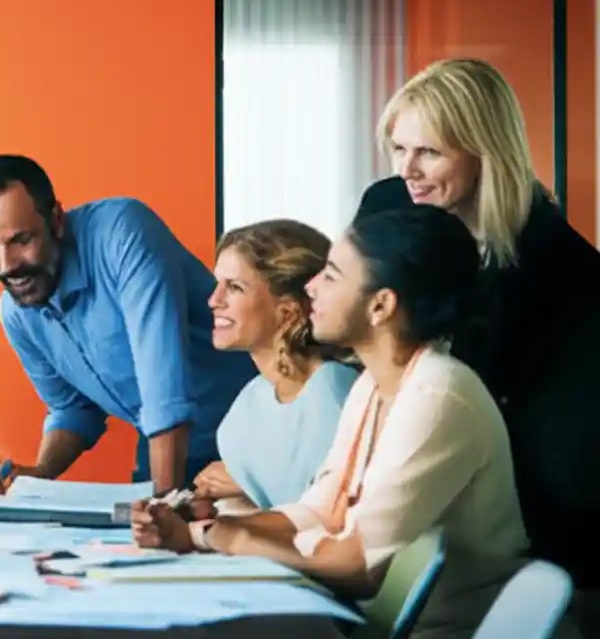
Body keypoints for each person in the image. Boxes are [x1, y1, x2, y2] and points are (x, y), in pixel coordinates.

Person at [131, 205, 528, 638]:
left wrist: (221, 537)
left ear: (381, 306)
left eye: (332, 275)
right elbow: (320, 512)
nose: (312, 287)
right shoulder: (374, 386)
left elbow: (358, 564)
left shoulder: (437, 395)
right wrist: (196, 529)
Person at [354, 58, 600, 594]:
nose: (407, 170)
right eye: (399, 148)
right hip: (401, 486)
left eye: (428, 152)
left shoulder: (564, 271)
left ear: (485, 152)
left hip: (521, 522)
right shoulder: (390, 208)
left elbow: (562, 460)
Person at [0, 154, 256, 494]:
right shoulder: (16, 311)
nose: (7, 265)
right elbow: (73, 408)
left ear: (56, 220)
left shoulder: (122, 232)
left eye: (21, 240)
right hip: (161, 443)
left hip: (249, 433)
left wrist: (164, 509)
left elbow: (165, 392)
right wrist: (39, 477)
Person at [197, 220, 358, 510]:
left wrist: (246, 484)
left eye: (234, 287)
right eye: (217, 285)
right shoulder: (251, 398)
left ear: (287, 312)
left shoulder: (334, 390)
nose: (213, 300)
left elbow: (334, 511)